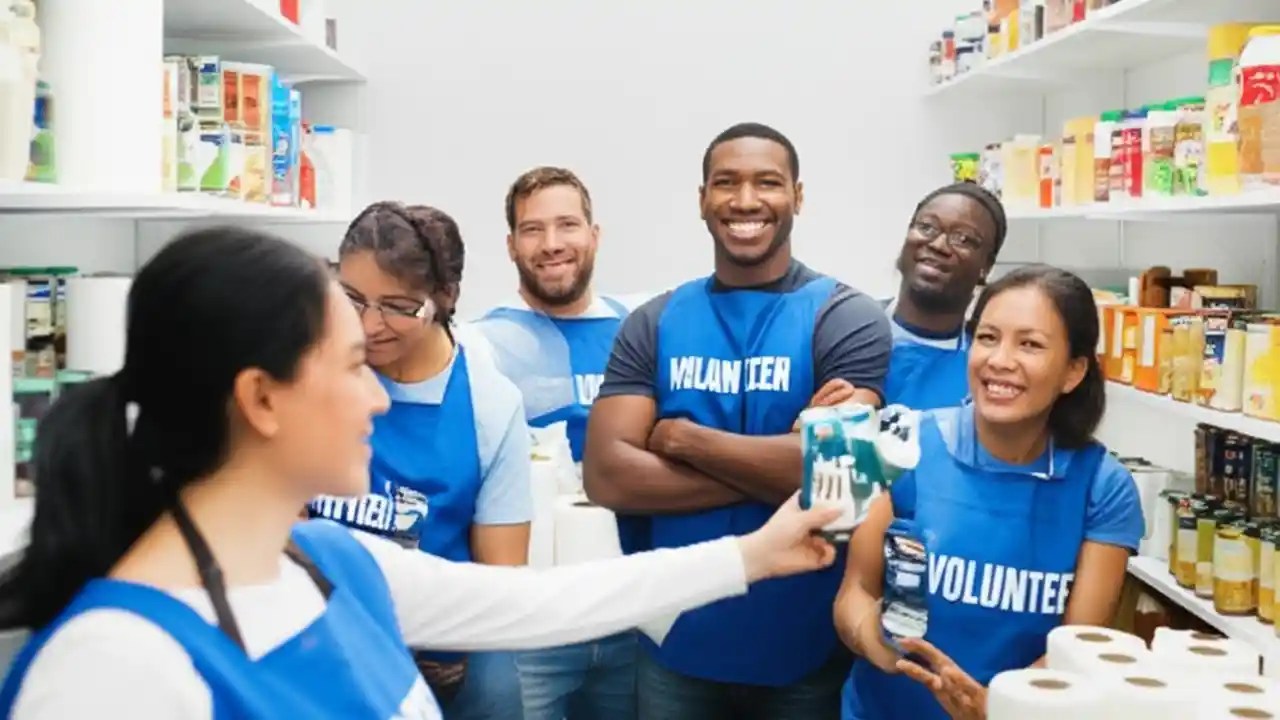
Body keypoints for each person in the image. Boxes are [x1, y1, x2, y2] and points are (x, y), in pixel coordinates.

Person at [0, 226, 847, 719]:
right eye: (346, 365)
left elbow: (542, 602)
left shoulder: (326, 559)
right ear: (260, 399)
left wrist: (757, 554)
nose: (376, 395)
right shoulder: (112, 664)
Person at [583, 122, 893, 719]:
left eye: (767, 183)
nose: (745, 201)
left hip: (805, 644)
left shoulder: (846, 316)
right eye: (726, 183)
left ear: (798, 196)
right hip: (677, 638)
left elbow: (844, 486)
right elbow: (608, 478)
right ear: (702, 199)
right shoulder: (655, 320)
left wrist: (682, 438)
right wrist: (788, 466)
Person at [834, 264, 1145, 720]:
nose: (1000, 360)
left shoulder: (1103, 486)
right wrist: (874, 640)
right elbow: (855, 591)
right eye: (986, 337)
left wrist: (1000, 709)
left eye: (1031, 344)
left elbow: (1078, 647)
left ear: (1074, 371)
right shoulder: (898, 443)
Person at [309, 202, 530, 717]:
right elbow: (278, 521)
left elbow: (502, 578)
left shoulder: (490, 406)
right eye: (353, 298)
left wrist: (446, 634)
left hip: (449, 640)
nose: (369, 325)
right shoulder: (308, 371)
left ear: (445, 298)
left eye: (398, 306)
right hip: (328, 627)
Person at [466, 167, 642, 720]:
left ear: (595, 233)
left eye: (567, 225)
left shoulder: (638, 331)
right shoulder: (477, 344)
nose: (552, 245)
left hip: (629, 614)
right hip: (530, 628)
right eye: (532, 229)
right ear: (511, 245)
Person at [884, 182, 1007, 410]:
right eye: (927, 227)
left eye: (964, 239)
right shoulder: (843, 330)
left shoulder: (987, 370)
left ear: (986, 267)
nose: (939, 245)